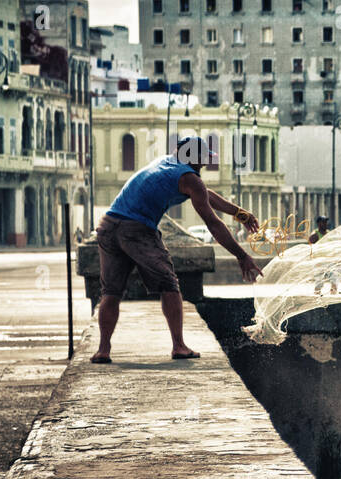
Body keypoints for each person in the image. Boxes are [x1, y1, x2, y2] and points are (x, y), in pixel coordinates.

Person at [90, 135, 263, 364]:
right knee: (169, 284)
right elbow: (212, 223)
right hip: (136, 229)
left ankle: (103, 350)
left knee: (111, 291)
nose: (205, 164)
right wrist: (242, 255)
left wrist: (240, 214)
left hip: (108, 225)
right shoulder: (190, 178)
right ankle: (179, 346)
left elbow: (205, 194)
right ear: (193, 158)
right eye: (202, 159)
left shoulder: (166, 164)